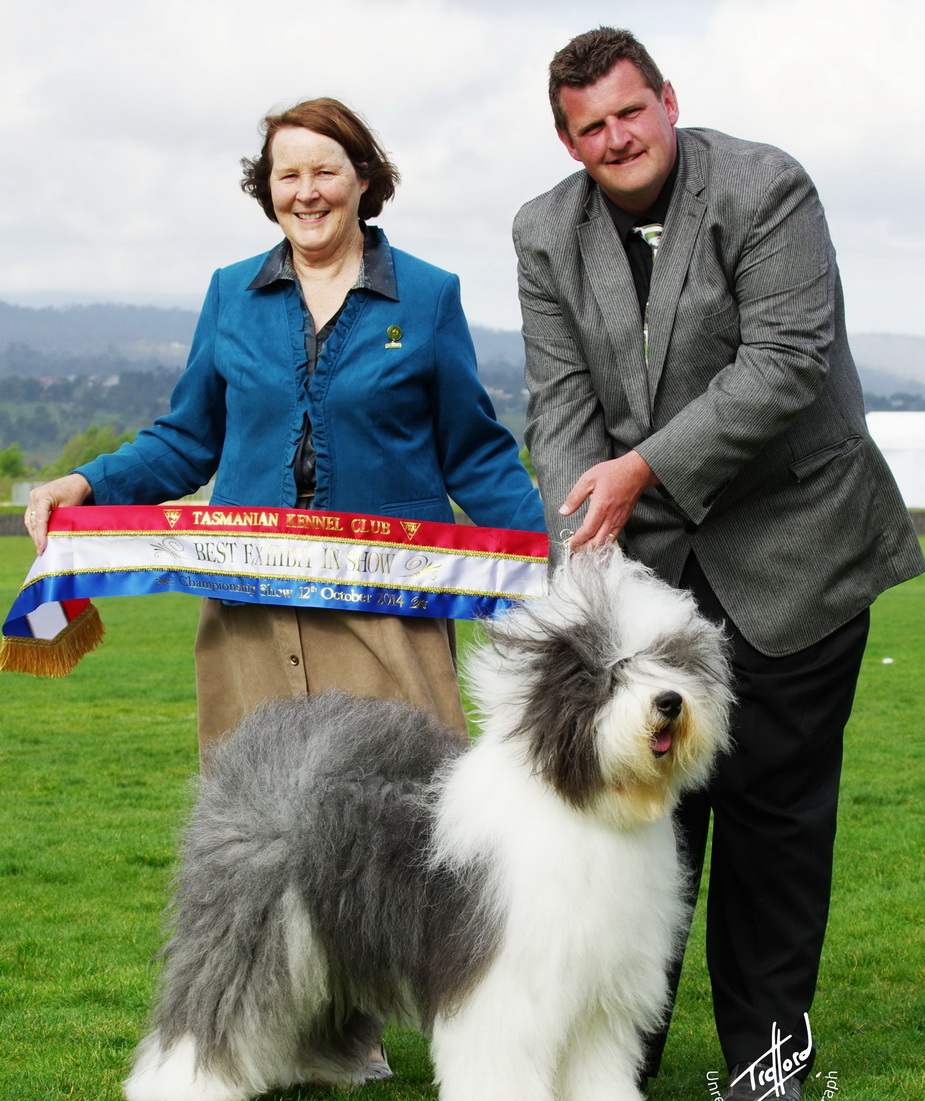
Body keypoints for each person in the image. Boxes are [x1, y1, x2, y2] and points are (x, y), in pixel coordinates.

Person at [513, 27, 925, 1101]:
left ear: (667, 100)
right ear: (568, 140)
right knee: (636, 817)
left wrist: (639, 467)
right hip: (648, 575)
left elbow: (786, 364)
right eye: (591, 126)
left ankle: (764, 1067)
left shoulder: (766, 187)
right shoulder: (543, 233)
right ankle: (616, 1063)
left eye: (630, 110)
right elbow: (557, 401)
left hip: (798, 547)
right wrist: (579, 537)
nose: (617, 136)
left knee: (775, 819)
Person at [26, 97, 544, 754]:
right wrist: (87, 482)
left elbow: (473, 456)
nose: (307, 194)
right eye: (287, 176)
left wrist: (557, 551)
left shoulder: (428, 295)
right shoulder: (229, 293)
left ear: (362, 178)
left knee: (399, 822)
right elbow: (186, 439)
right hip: (250, 610)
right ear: (266, 189)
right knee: (258, 825)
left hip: (387, 606)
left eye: (324, 173)